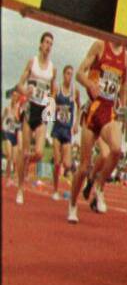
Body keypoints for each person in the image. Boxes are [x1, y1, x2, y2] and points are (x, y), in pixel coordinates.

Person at [67, 39, 127, 223]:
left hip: (109, 111)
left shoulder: (126, 56)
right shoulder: (100, 46)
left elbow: (124, 87)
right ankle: (72, 205)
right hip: (93, 109)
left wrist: (123, 111)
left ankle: (99, 186)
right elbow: (79, 73)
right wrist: (89, 84)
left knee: (116, 150)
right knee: (84, 166)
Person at [13, 31, 57, 205]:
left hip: (42, 110)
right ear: (40, 45)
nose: (48, 46)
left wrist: (50, 105)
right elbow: (19, 84)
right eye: (46, 42)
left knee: (38, 152)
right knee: (25, 151)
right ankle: (20, 189)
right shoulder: (32, 63)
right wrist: (25, 91)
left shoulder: (52, 69)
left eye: (51, 43)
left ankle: (23, 166)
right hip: (30, 108)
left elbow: (53, 90)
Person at [49, 65, 79, 201]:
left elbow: (79, 106)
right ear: (63, 74)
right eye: (67, 73)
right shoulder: (57, 89)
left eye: (71, 74)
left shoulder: (75, 91)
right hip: (57, 129)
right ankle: (55, 190)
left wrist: (76, 123)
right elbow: (51, 100)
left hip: (67, 131)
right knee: (56, 162)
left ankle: (74, 187)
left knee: (67, 164)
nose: (69, 76)